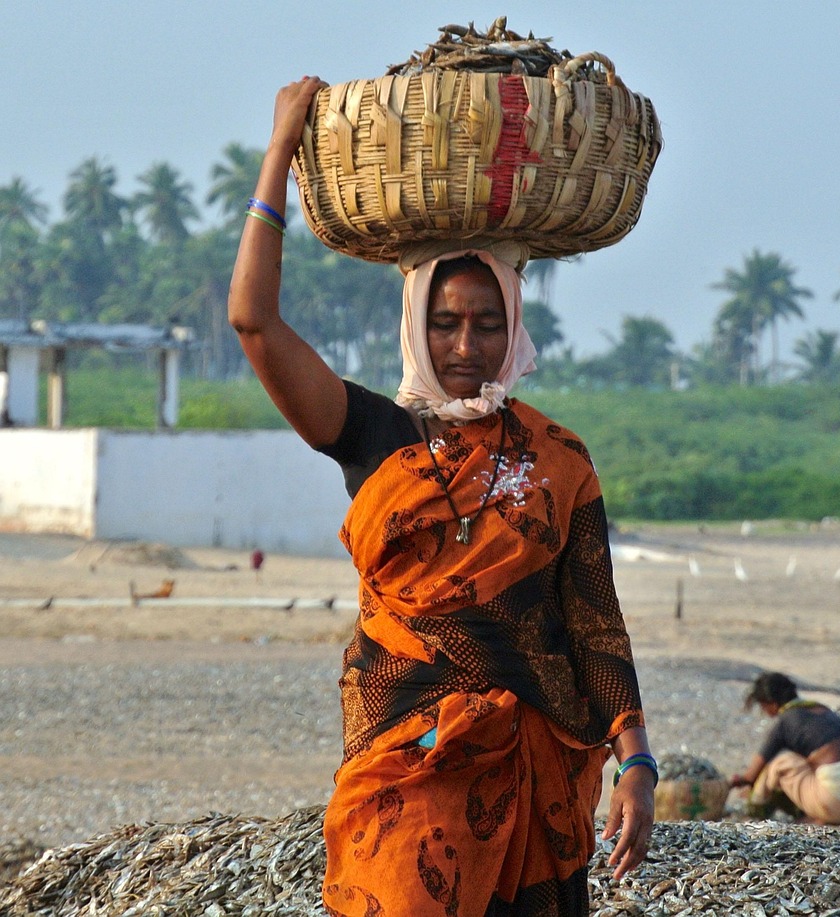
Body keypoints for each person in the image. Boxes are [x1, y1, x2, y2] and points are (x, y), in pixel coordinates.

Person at [228, 76, 655, 916]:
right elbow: (253, 322)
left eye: (488, 322)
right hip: (404, 763)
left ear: (517, 326)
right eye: (446, 322)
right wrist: (279, 151)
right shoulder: (375, 435)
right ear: (415, 323)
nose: (466, 345)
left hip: (535, 770)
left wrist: (636, 760)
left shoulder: (559, 458)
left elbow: (595, 621)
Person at [729, 672, 840, 825]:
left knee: (779, 764)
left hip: (838, 803)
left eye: (763, 707)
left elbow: (751, 775)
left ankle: (755, 815)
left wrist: (737, 783)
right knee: (806, 762)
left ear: (771, 704)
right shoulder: (821, 709)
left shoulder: (786, 721)